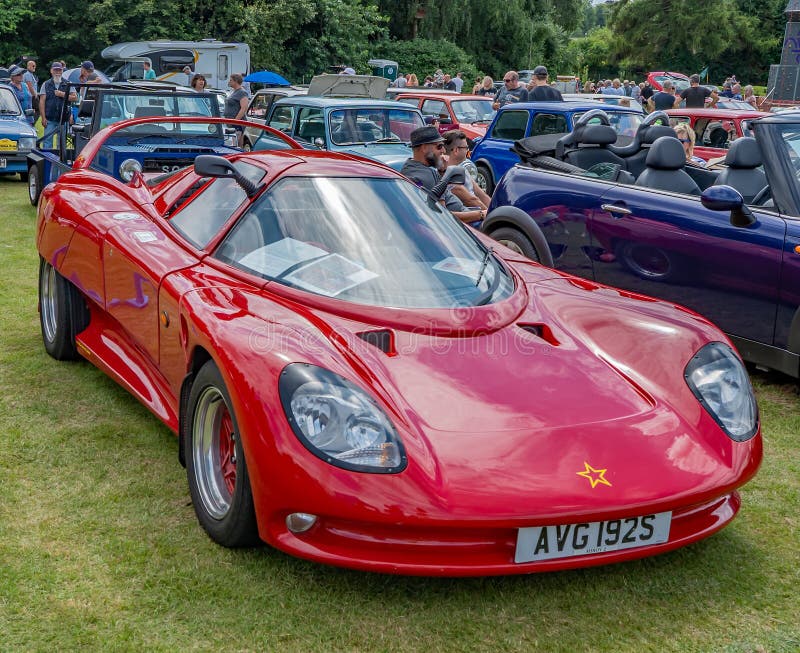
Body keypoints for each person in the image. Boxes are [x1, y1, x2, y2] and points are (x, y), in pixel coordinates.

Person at [400, 126, 485, 224]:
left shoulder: (415, 168)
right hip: (466, 227)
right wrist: (481, 214)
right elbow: (443, 216)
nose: (443, 151)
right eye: (439, 146)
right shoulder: (423, 176)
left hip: (468, 217)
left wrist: (443, 171)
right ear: (424, 148)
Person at [443, 129, 491, 209]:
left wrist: (494, 209)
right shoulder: (446, 173)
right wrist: (490, 216)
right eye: (466, 148)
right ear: (456, 150)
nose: (467, 151)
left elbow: (480, 194)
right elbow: (471, 200)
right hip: (467, 217)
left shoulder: (462, 169)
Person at [39, 61, 76, 148]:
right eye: (55, 70)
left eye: (59, 70)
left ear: (62, 71)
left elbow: (74, 97)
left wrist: (62, 94)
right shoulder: (46, 84)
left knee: (62, 144)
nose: (57, 72)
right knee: (47, 143)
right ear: (51, 71)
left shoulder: (68, 83)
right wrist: (43, 118)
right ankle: (47, 161)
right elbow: (42, 102)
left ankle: (60, 161)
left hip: (64, 119)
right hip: (49, 119)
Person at [224, 73, 250, 146]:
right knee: (234, 143)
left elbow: (244, 108)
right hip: (230, 122)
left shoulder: (242, 92)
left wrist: (235, 121)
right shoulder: (234, 92)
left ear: (236, 81)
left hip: (237, 124)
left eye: (231, 80)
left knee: (235, 144)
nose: (229, 82)